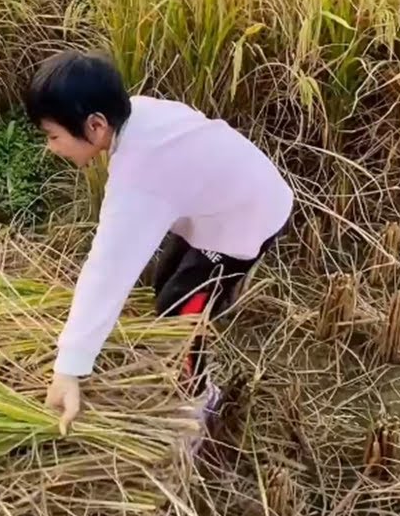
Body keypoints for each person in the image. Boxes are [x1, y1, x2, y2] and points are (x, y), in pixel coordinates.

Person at [25, 50, 293, 436]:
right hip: (226, 201)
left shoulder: (140, 175)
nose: (52, 147)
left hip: (244, 221)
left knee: (180, 316)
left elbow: (108, 271)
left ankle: (199, 403)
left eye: (53, 136)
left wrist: (69, 369)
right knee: (164, 282)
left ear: (96, 125)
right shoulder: (138, 112)